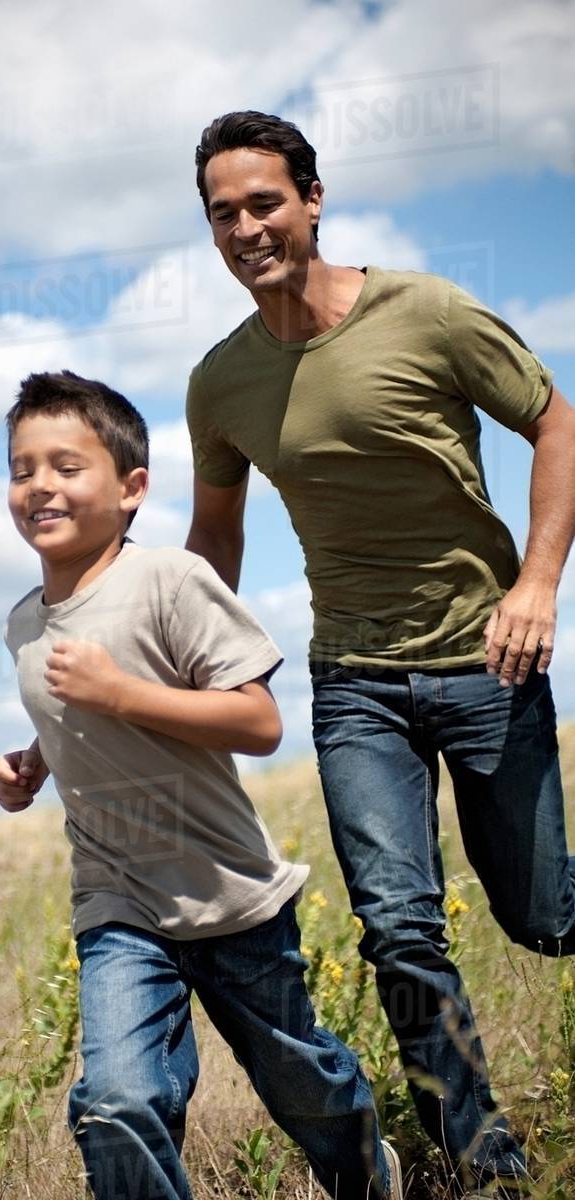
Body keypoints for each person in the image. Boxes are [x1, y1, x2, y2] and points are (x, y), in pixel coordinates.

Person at [184, 110, 575, 1198]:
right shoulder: (219, 384)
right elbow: (214, 537)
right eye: (223, 214)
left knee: (543, 919)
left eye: (263, 202)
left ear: (311, 199)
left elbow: (556, 423)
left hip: (484, 663)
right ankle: (480, 1164)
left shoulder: (427, 311)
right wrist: (175, 654)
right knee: (399, 929)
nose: (246, 227)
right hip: (353, 684)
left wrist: (535, 582)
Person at [0, 369, 401, 1200]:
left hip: (228, 894)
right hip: (117, 903)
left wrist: (120, 694)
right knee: (114, 1101)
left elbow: (257, 722)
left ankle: (365, 1170)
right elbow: (72, 711)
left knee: (300, 1083)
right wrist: (30, 761)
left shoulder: (170, 581)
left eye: (67, 467)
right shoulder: (24, 622)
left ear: (131, 487)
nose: (40, 486)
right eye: (21, 467)